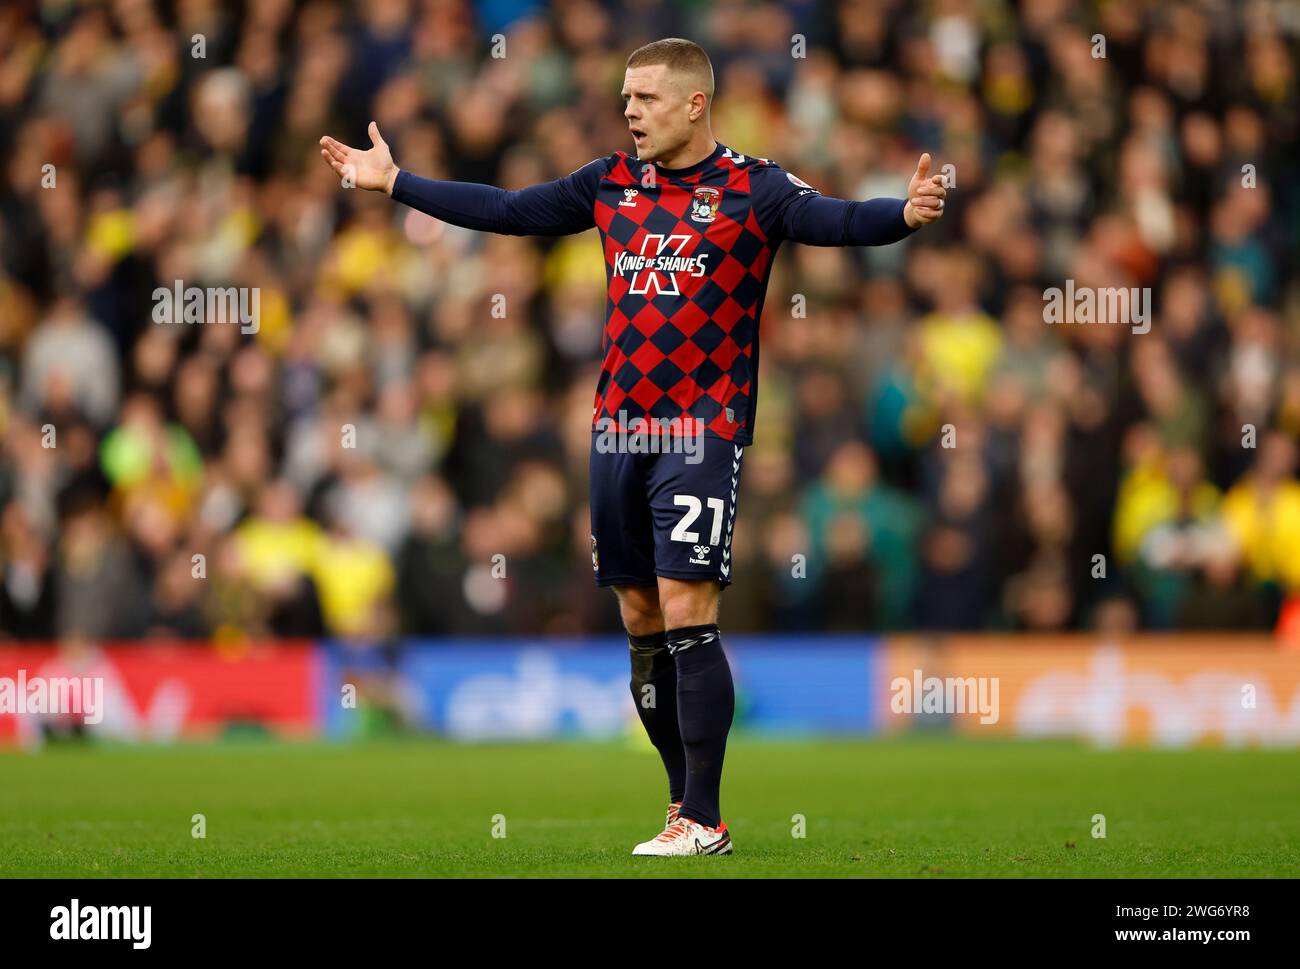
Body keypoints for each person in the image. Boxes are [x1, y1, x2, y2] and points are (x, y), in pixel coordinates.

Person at [320, 37, 946, 856]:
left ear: (695, 104)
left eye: (644, 99)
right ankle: (681, 803)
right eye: (625, 97)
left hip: (701, 427)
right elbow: (509, 210)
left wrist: (900, 214)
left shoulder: (753, 188)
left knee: (689, 608)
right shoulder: (612, 182)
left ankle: (706, 817)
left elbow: (833, 219)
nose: (628, 111)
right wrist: (396, 182)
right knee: (641, 618)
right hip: (618, 430)